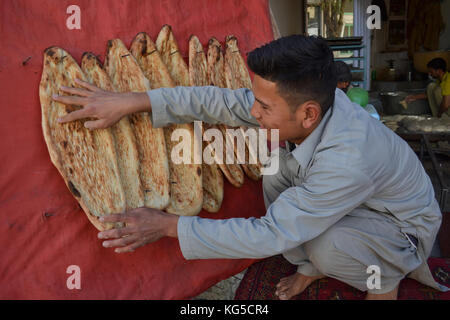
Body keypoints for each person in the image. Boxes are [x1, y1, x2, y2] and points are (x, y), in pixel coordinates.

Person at [53, 35, 447, 300]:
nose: (252, 112)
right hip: (357, 199)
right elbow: (219, 101)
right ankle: (310, 264)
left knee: (327, 248)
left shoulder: (348, 158)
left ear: (308, 113)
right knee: (275, 164)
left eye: (263, 106)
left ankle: (388, 275)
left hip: (400, 225)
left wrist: (167, 225)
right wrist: (132, 100)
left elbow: (271, 233)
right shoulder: (313, 103)